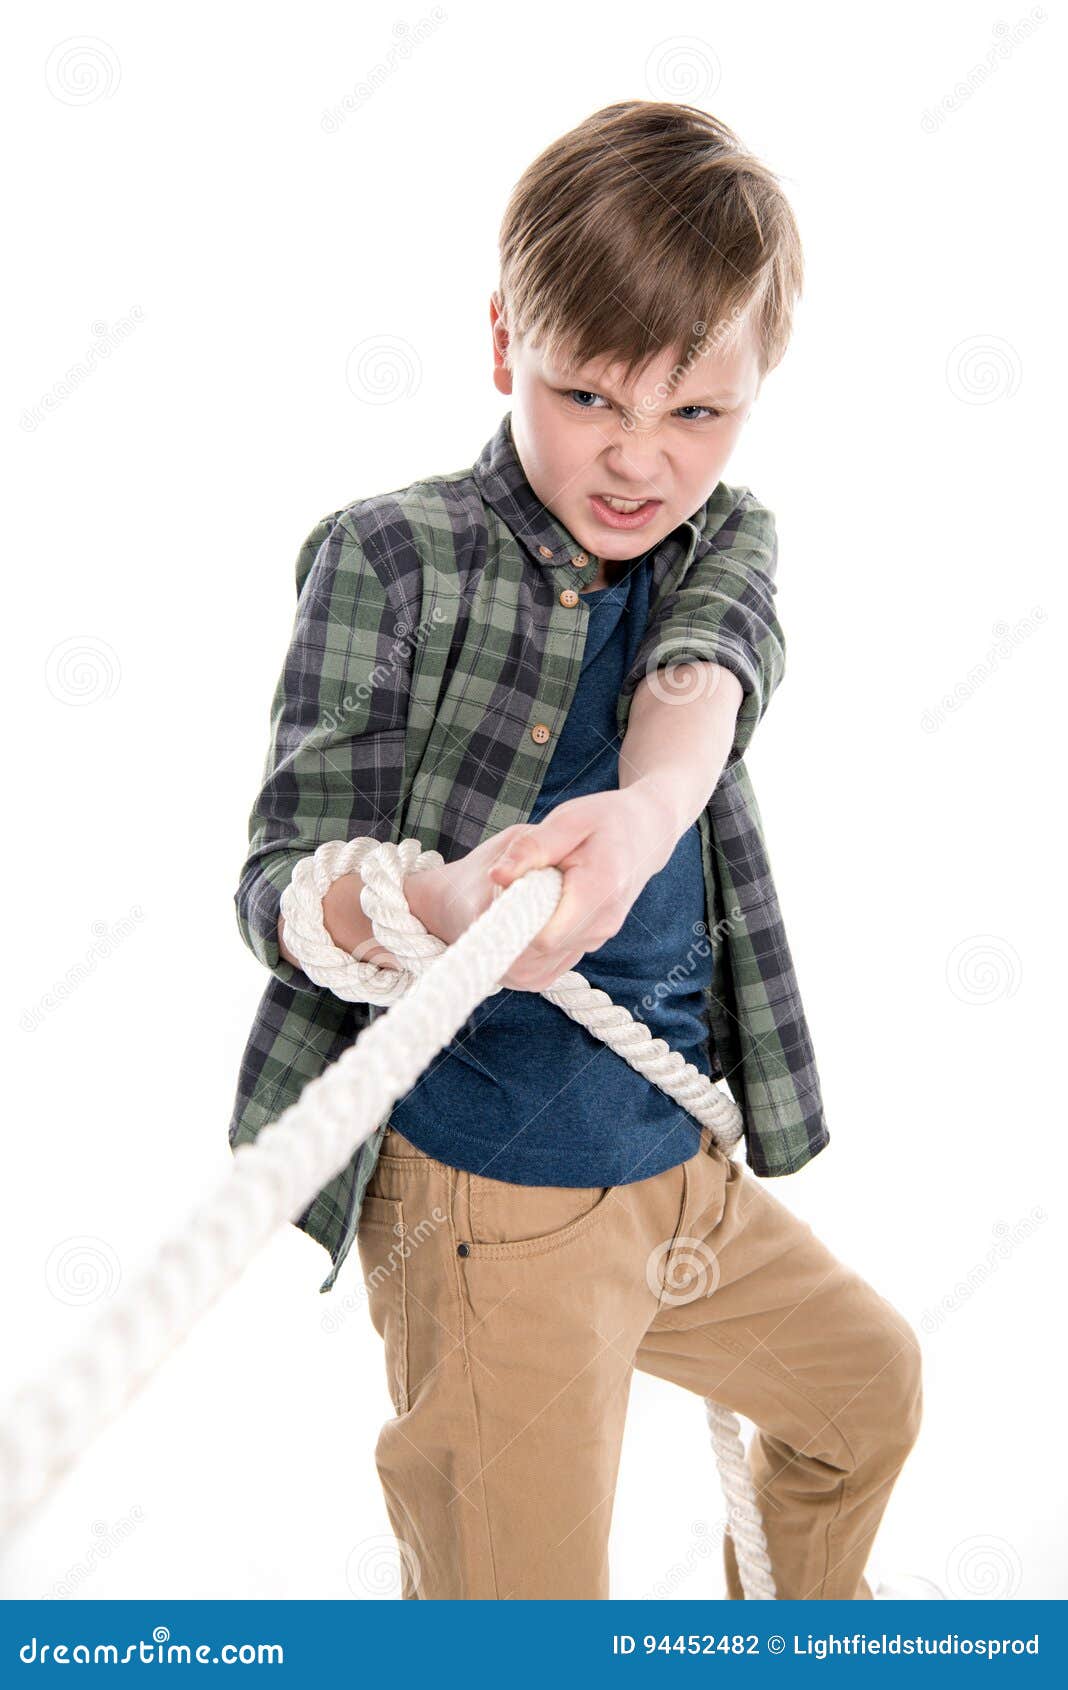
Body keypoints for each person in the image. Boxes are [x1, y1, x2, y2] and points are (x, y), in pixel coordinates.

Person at [228, 100, 922, 1601]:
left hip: (677, 1167)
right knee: (520, 1617)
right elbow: (281, 884)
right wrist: (433, 899)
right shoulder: (388, 557)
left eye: (696, 412)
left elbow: (702, 679)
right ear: (501, 345)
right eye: (590, 395)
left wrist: (642, 820)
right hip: (491, 1213)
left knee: (866, 1395)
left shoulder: (722, 541)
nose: (638, 459)